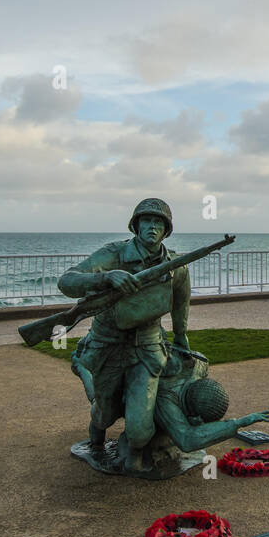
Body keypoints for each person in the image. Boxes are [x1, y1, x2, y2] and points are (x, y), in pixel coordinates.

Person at [60, 197, 190, 474]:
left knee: (140, 430)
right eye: (147, 221)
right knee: (104, 414)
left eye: (159, 223)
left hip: (147, 347)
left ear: (166, 230)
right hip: (108, 344)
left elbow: (181, 304)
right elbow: (67, 281)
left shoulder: (176, 265)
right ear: (136, 225)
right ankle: (96, 438)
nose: (152, 227)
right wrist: (105, 278)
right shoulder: (114, 254)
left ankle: (134, 451)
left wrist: (181, 337)